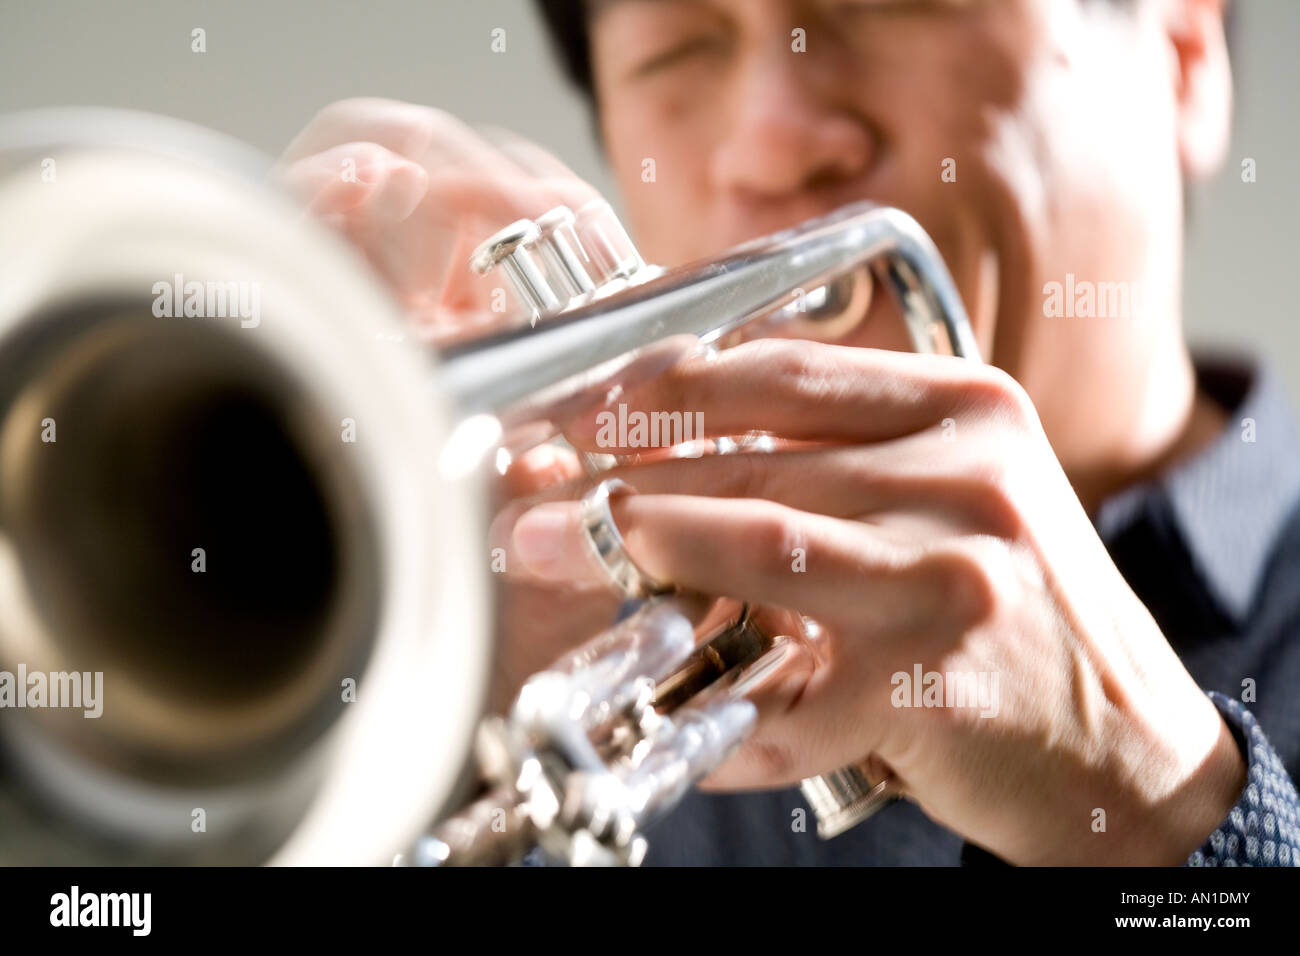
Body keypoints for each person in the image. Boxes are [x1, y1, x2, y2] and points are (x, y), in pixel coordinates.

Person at [275, 0, 1300, 865]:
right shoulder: (570, 682)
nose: (772, 140)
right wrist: (383, 748)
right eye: (677, 45)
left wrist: (1160, 813)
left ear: (1181, 48)